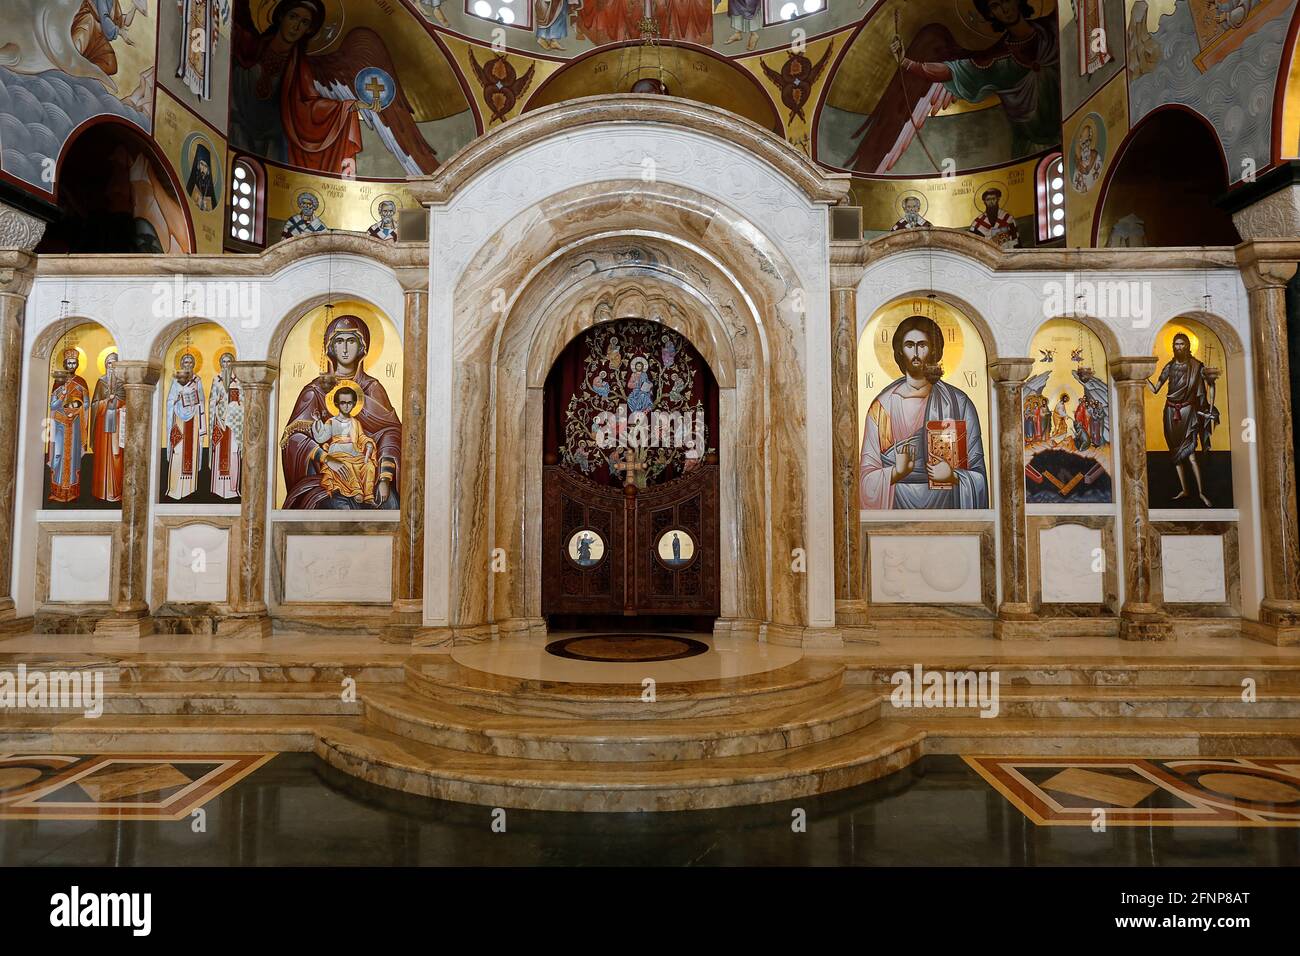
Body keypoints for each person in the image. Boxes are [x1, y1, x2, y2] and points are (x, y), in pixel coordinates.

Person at [859, 315, 988, 509]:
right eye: (910, 345)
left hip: (947, 510)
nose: (916, 352)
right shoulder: (882, 407)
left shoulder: (959, 403)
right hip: (895, 511)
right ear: (900, 352)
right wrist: (895, 473)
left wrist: (952, 476)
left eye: (923, 345)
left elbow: (979, 476)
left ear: (934, 350)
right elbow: (864, 478)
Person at [280, 313, 401, 509]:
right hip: (330, 470)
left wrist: (385, 478)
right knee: (333, 505)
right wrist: (325, 457)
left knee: (390, 503)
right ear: (331, 347)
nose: (345, 349)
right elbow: (293, 437)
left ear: (362, 347)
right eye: (339, 341)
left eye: (351, 341)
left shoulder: (372, 388)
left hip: (364, 468)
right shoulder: (316, 391)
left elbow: (391, 433)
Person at [1148, 332, 1218, 506]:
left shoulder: (1196, 366)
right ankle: (1185, 489)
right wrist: (1140, 377)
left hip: (1188, 412)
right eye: (1176, 344)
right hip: (1171, 414)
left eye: (1182, 344)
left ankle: (1201, 492)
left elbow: (1209, 386)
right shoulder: (1169, 367)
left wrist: (1210, 400)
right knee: (1176, 455)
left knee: (1191, 455)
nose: (1178, 347)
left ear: (1188, 346)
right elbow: (1156, 388)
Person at [300, 385, 380, 505]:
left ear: (353, 404)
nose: (346, 406)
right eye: (343, 403)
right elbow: (321, 437)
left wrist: (368, 443)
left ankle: (368, 496)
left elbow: (361, 437)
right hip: (338, 453)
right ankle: (356, 491)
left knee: (369, 466)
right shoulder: (332, 421)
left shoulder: (355, 422)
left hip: (354, 453)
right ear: (337, 404)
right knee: (346, 466)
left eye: (349, 403)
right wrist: (317, 421)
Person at [47, 350, 92, 503]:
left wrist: (77, 407)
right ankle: (57, 491)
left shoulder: (81, 382)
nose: (71, 365)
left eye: (74, 362)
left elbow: (86, 404)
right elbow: (52, 406)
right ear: (65, 364)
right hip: (60, 424)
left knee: (73, 458)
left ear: (77, 364)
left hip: (75, 425)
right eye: (69, 362)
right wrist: (61, 395)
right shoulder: (58, 383)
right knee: (58, 455)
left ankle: (72, 492)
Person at [164, 352, 206, 500]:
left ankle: (190, 488)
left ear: (193, 365)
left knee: (191, 451)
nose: (187, 365)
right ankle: (175, 487)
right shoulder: (176, 381)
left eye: (190, 362)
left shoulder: (197, 380)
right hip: (179, 422)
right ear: (181, 365)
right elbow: (169, 401)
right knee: (178, 451)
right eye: (185, 362)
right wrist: (178, 398)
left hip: (193, 422)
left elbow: (202, 400)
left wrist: (194, 399)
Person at [90, 351, 126, 502]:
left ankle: (116, 492)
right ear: (106, 365)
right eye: (110, 363)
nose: (112, 366)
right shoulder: (101, 381)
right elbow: (94, 405)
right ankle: (101, 492)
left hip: (117, 424)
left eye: (115, 363)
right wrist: (105, 402)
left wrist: (117, 402)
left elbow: (128, 403)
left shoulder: (123, 383)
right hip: (102, 427)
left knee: (117, 455)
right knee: (103, 457)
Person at [209, 351, 242, 499]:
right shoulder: (217, 380)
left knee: (234, 453)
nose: (227, 364)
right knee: (219, 452)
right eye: (224, 362)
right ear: (220, 364)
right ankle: (218, 489)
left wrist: (236, 409)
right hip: (220, 422)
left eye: (229, 362)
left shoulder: (239, 380)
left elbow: (244, 400)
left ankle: (232, 488)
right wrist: (215, 417)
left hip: (235, 424)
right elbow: (211, 401)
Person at [186, 144, 218, 211]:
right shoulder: (193, 180)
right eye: (201, 164)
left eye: (205, 166)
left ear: (209, 170)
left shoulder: (210, 186)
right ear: (198, 165)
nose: (202, 168)